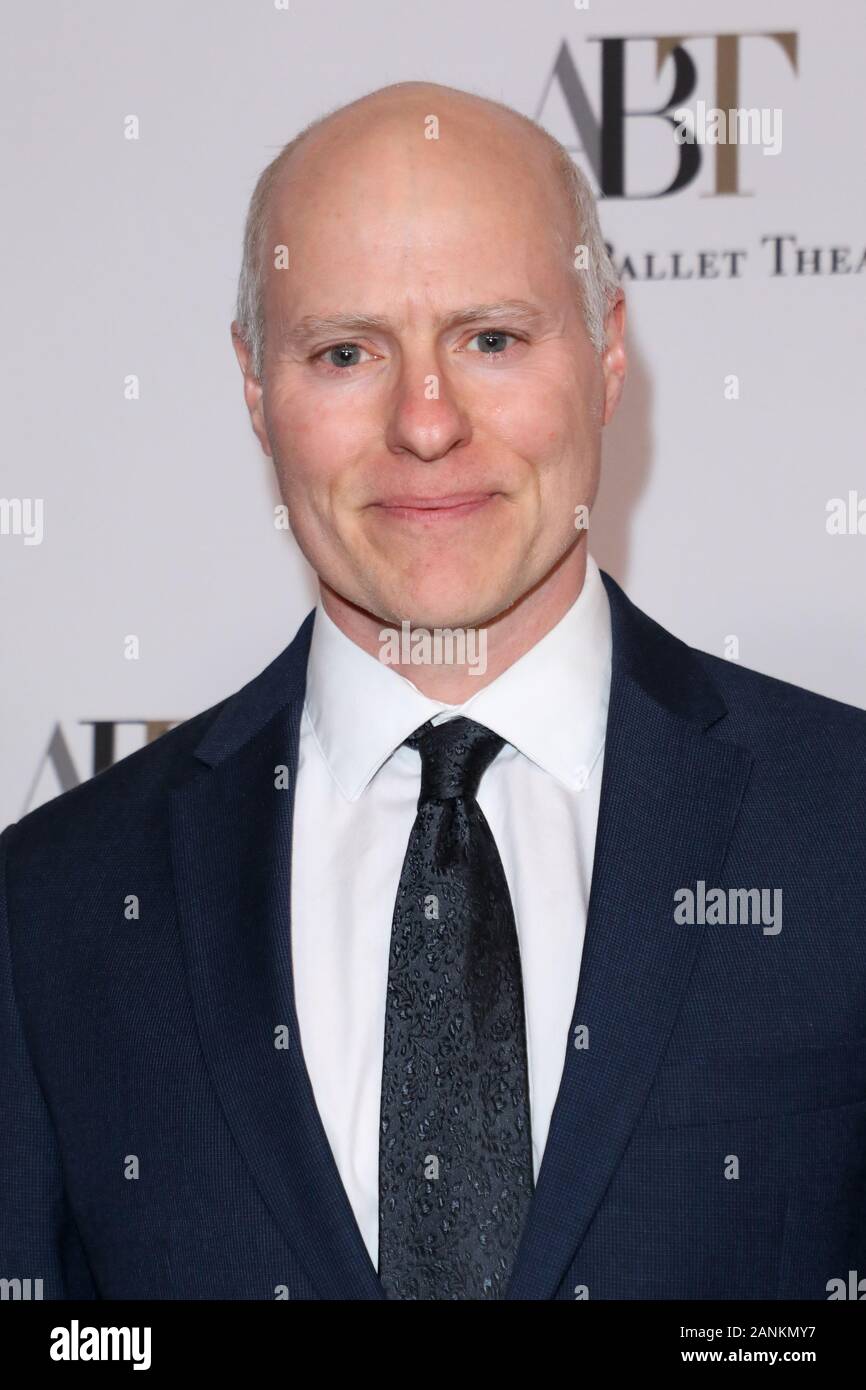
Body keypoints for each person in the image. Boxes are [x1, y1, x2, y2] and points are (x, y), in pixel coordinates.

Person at [2, 81, 864, 1302]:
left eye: (491, 339)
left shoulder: (842, 829)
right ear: (255, 387)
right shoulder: (54, 908)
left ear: (608, 351)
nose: (424, 423)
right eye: (345, 352)